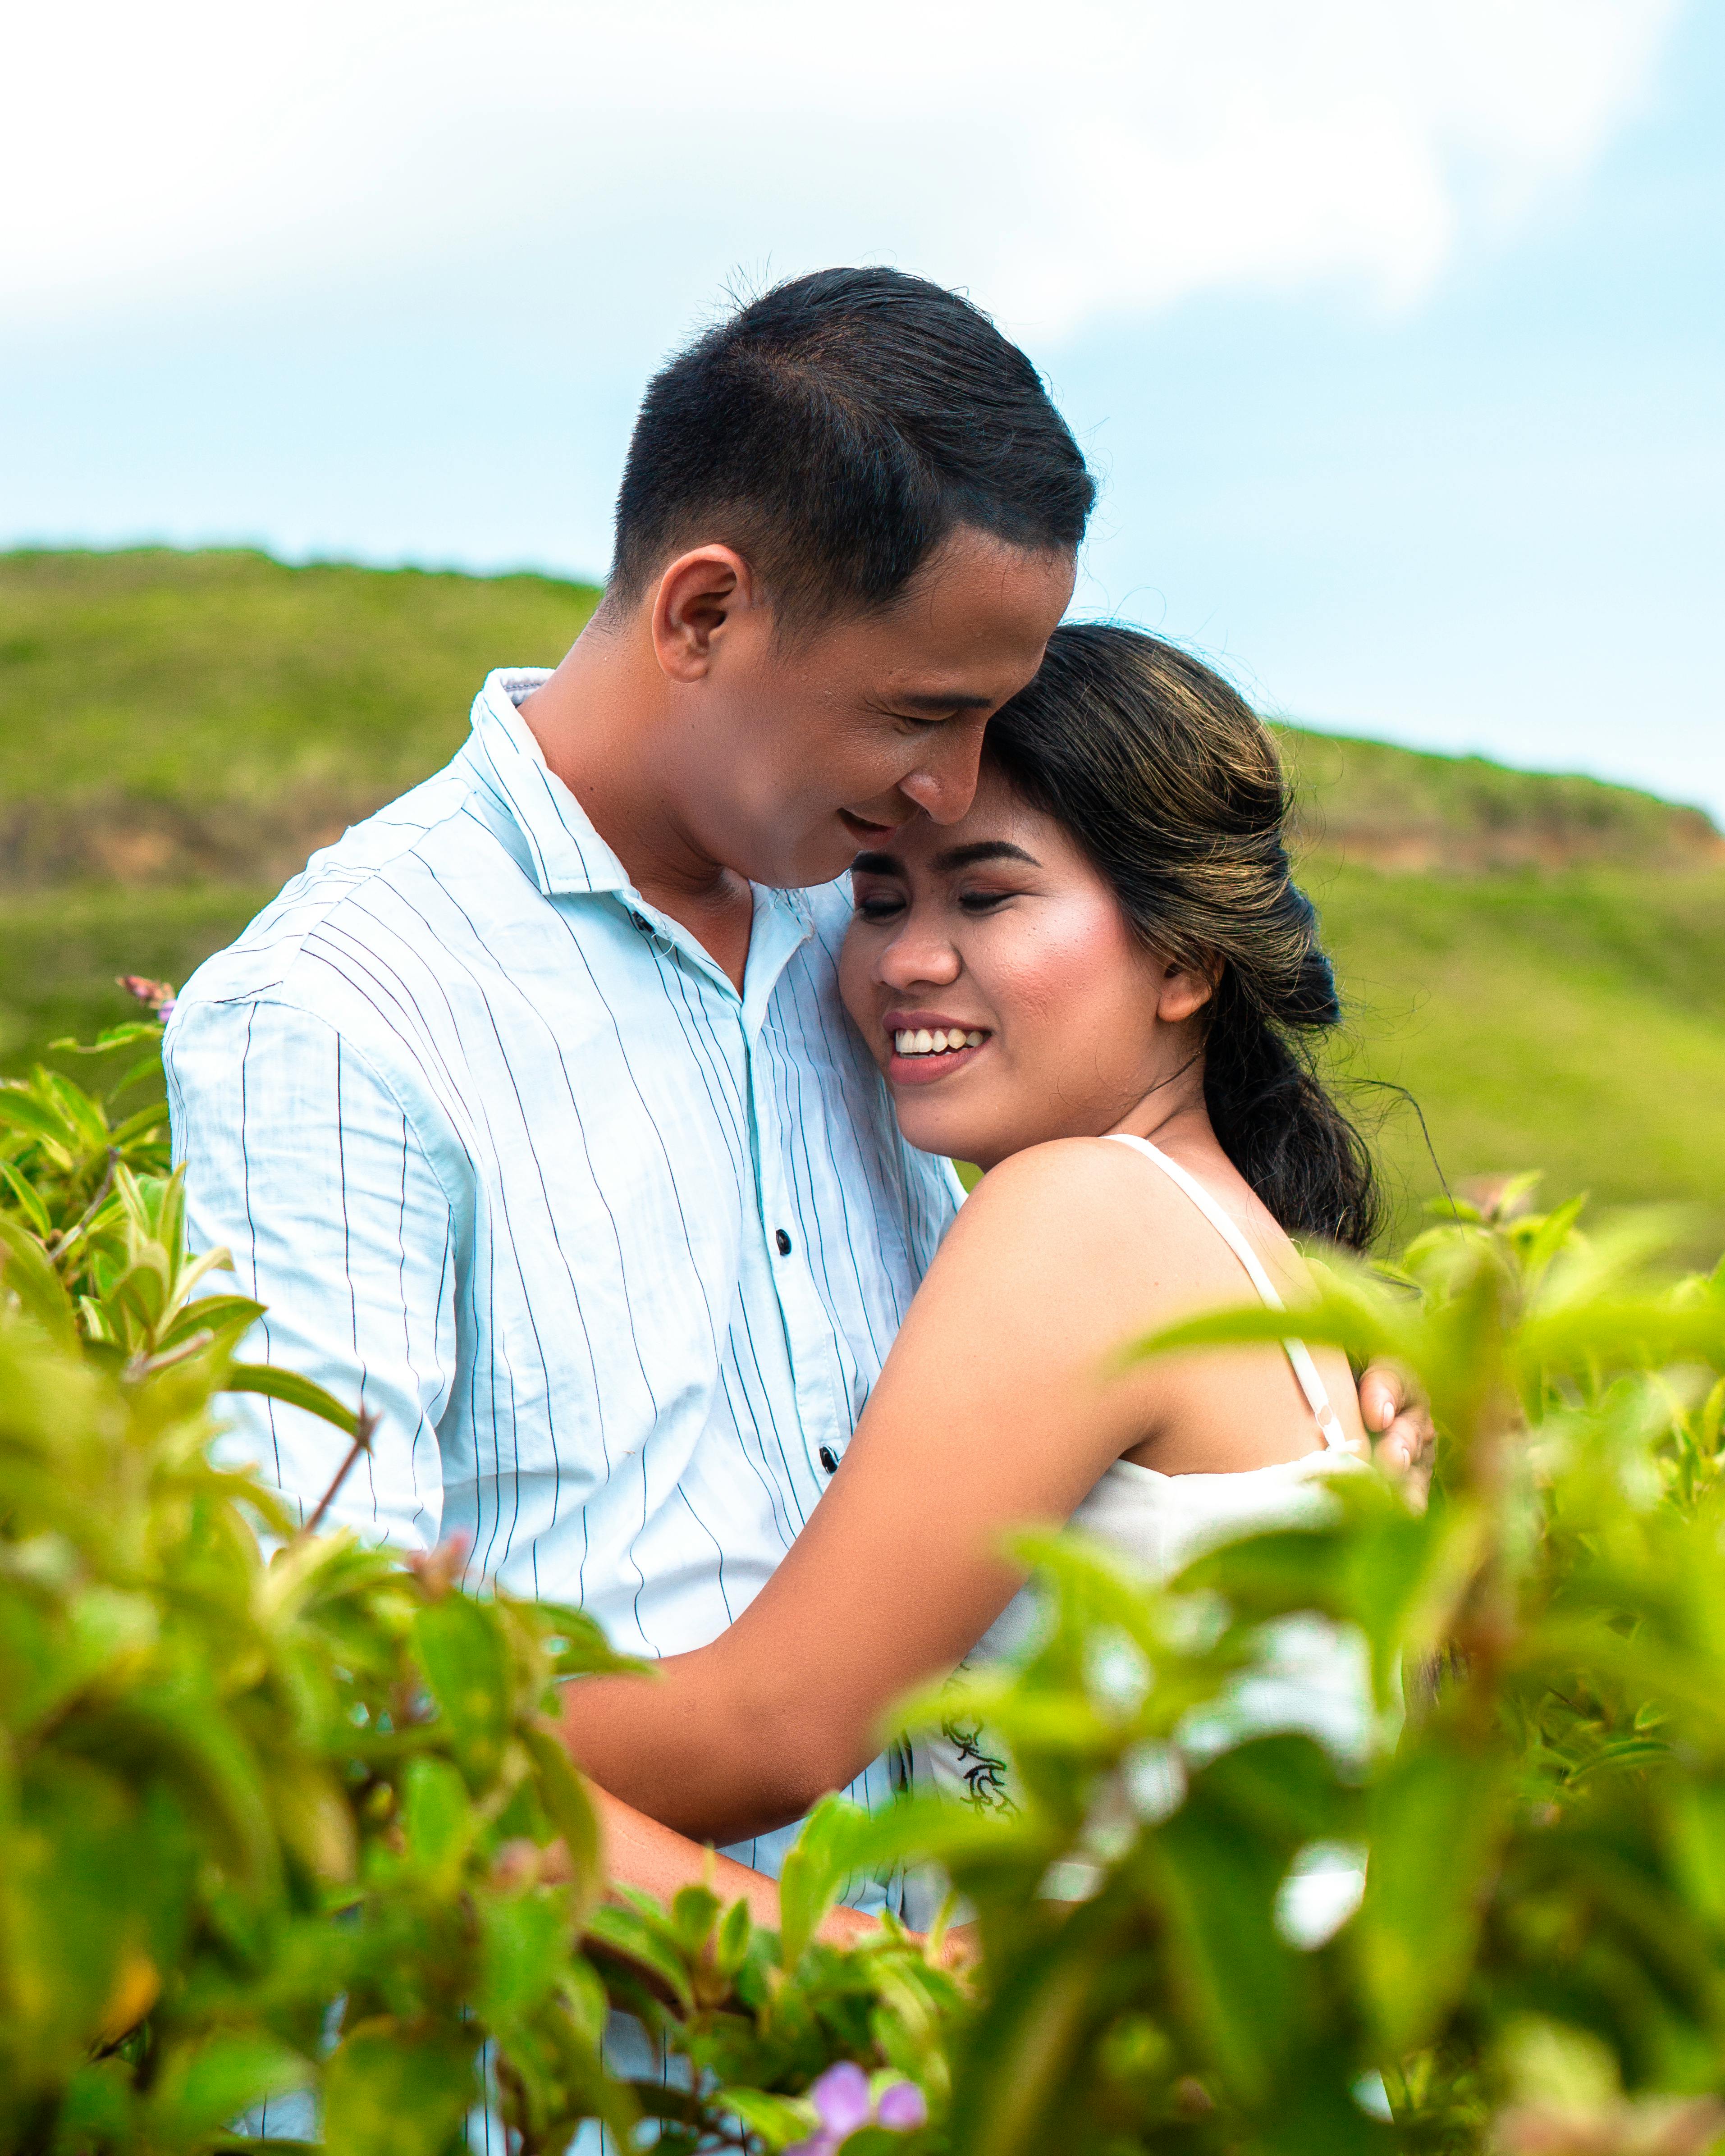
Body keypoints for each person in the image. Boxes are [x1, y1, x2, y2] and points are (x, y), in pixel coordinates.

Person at [168, 270, 1428, 1935]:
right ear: (702, 615)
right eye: (923, 714)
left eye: (987, 729)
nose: (954, 789)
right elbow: (323, 1707)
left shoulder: (872, 932)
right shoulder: (344, 1011)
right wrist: (846, 1989)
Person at [556, 621, 1385, 1867]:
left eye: (987, 896)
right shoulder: (1238, 1250)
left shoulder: (1081, 1216)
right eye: (879, 900)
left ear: (1186, 959)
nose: (908, 960)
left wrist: (373, 1740)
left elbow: (773, 1729)